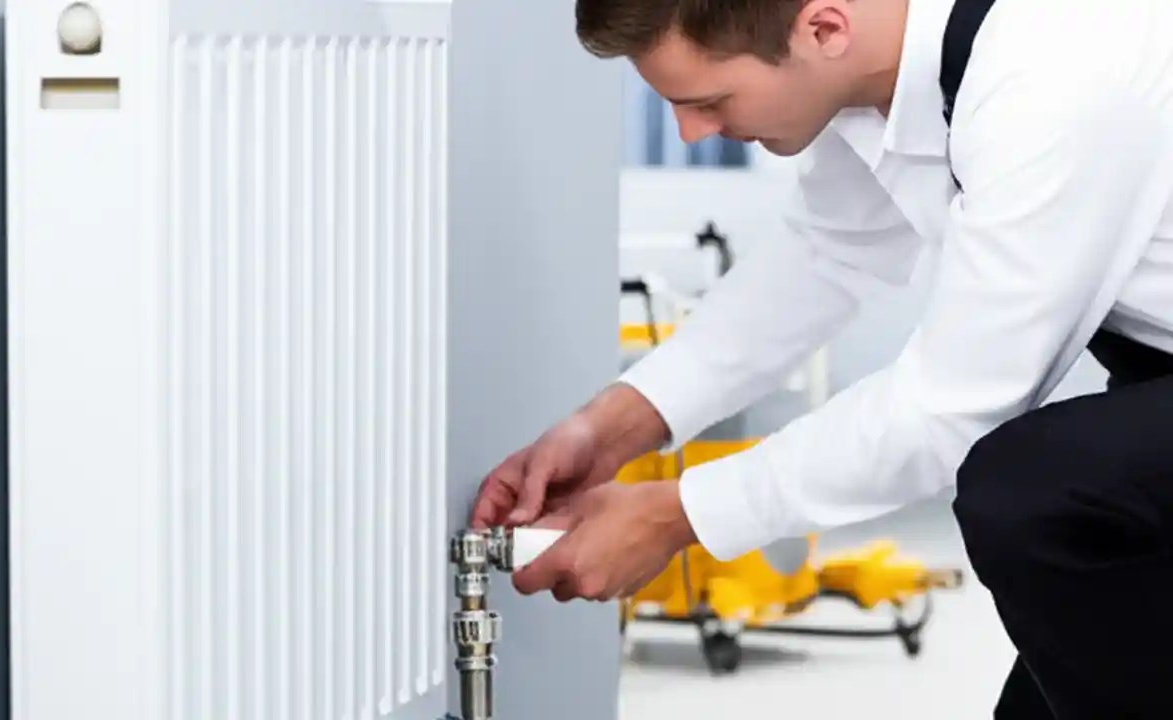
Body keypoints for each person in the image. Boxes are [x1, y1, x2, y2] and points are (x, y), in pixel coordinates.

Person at [468, 0, 1173, 716]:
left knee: (1034, 491)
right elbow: (827, 255)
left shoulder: (1058, 74)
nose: (690, 131)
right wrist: (613, 424)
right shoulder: (879, 72)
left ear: (825, 28)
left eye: (710, 101)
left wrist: (675, 515)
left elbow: (945, 413)